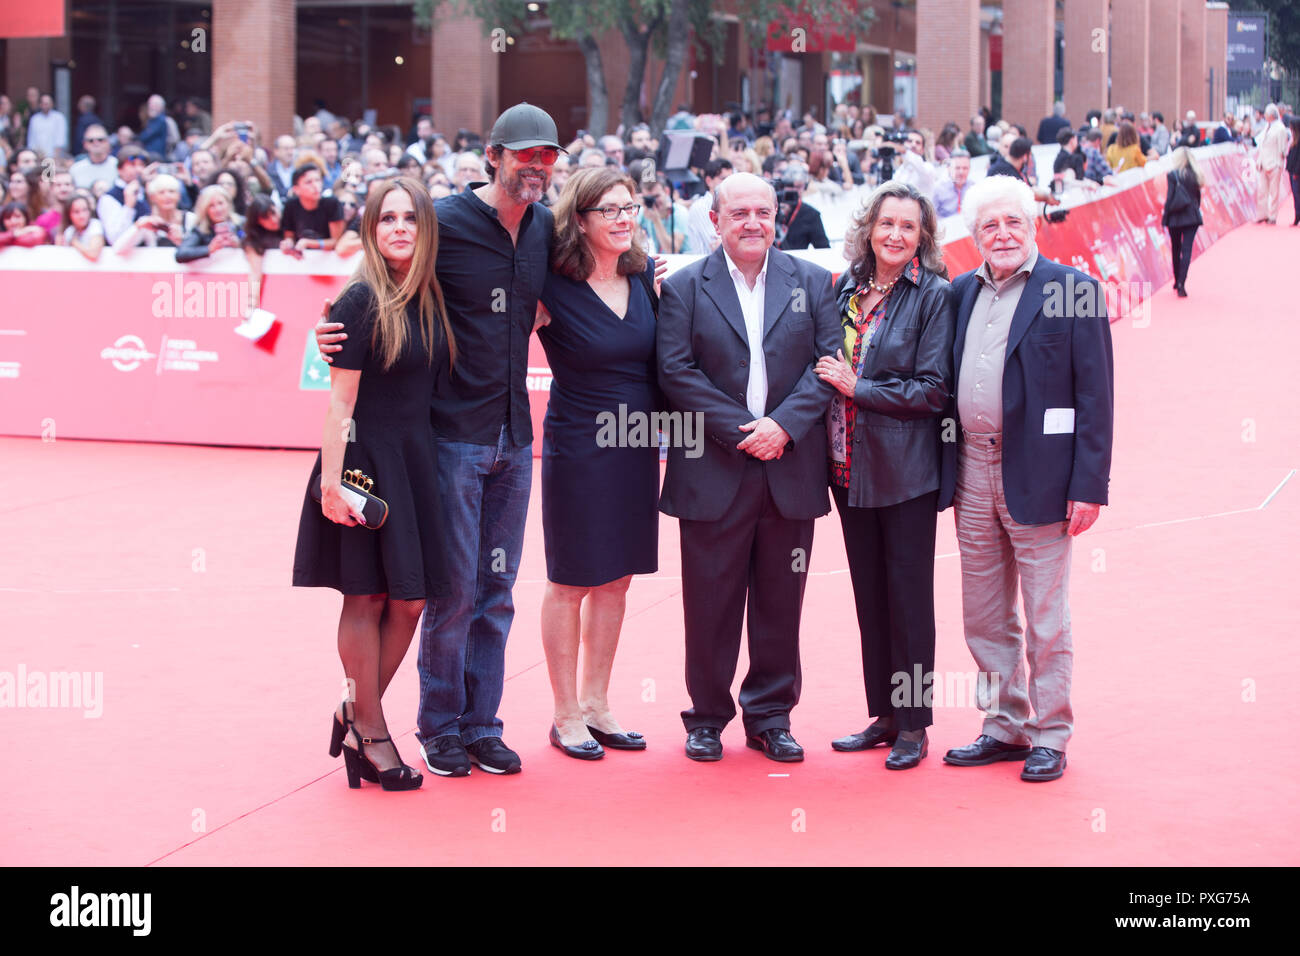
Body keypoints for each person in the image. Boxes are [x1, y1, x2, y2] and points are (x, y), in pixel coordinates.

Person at [317, 102, 565, 778]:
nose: (536, 165)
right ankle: (439, 725)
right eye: (524, 154)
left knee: (497, 591)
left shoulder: (545, 226)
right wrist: (331, 329)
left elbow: (596, 265)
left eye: (547, 154)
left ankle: (484, 724)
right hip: (450, 439)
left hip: (517, 438)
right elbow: (382, 278)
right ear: (495, 155)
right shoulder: (445, 222)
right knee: (451, 592)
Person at [656, 172, 841, 763]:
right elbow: (676, 373)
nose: (753, 223)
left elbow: (828, 365)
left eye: (763, 211)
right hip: (714, 469)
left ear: (778, 217)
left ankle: (770, 715)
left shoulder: (813, 282)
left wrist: (783, 427)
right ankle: (706, 716)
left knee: (780, 603)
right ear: (716, 221)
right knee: (709, 602)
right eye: (739, 213)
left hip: (790, 467)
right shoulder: (685, 288)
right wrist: (746, 431)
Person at [937, 175, 1114, 783]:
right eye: (990, 225)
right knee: (983, 616)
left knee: (1045, 616)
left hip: (1043, 475)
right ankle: (1004, 725)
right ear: (975, 235)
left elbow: (1096, 395)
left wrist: (1089, 484)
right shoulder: (959, 292)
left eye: (1013, 222)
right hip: (970, 473)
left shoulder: (1074, 290)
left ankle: (1051, 733)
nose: (1003, 234)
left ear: (1032, 223)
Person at [294, 177, 457, 792]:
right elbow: (340, 403)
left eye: (409, 219)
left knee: (411, 600)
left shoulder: (431, 297)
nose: (398, 228)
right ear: (369, 229)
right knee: (365, 596)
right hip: (363, 465)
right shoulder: (362, 302)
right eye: (386, 219)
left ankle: (352, 710)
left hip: (414, 463)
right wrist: (330, 485)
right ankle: (373, 729)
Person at [815, 182, 954, 770]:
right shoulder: (843, 287)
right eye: (886, 223)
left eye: (908, 227)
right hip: (846, 468)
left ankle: (915, 724)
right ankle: (885, 714)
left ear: (922, 238)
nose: (895, 235)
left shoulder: (934, 297)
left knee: (908, 600)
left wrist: (858, 387)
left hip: (904, 473)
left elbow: (933, 390)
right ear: (869, 227)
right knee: (870, 597)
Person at [534, 166, 661, 758]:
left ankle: (597, 704)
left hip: (637, 450)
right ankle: (564, 715)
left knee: (617, 578)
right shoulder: (551, 287)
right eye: (608, 210)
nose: (623, 219)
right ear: (579, 220)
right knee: (571, 580)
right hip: (579, 447)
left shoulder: (645, 282)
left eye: (629, 207)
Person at [111, 174, 194, 252]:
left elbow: (202, 250)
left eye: (171, 191)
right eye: (161, 192)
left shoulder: (191, 219)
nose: (167, 196)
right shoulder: (147, 223)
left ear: (179, 195)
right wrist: (137, 227)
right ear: (152, 197)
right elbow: (118, 249)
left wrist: (182, 240)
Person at [1163, 147, 1203, 297]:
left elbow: (1169, 197)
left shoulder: (1173, 175)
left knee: (1176, 248)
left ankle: (1176, 279)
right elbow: (1198, 198)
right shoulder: (1195, 175)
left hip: (1175, 217)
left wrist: (1166, 215)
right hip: (1191, 216)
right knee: (1186, 250)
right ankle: (1181, 282)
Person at [281, 163, 345, 251]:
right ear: (296, 189)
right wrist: (288, 243)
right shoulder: (290, 206)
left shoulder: (332, 203)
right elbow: (289, 236)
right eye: (309, 182)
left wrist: (308, 243)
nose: (316, 186)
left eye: (318, 180)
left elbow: (336, 242)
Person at [176, 184, 242, 262]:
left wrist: (239, 244)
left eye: (220, 203)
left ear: (228, 204)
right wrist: (209, 248)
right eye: (211, 206)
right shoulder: (200, 231)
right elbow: (181, 253)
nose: (218, 209)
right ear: (205, 209)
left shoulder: (241, 224)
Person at [774, 162, 830, 251]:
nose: (794, 190)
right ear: (782, 185)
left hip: (796, 261)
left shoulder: (812, 214)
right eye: (790, 185)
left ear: (805, 186)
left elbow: (823, 248)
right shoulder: (771, 209)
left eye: (799, 187)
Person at [1254, 104, 1288, 225]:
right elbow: (1261, 145)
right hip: (1263, 163)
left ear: (1272, 115)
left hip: (1274, 164)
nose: (1265, 116)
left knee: (1274, 192)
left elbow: (1283, 149)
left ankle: (1272, 216)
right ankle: (1261, 215)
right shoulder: (1266, 127)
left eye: (1267, 114)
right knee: (1262, 191)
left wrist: (1280, 164)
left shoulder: (1280, 129)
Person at [59, 191, 104, 261]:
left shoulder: (95, 225)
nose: (82, 216)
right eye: (76, 212)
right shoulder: (69, 231)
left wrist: (74, 242)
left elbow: (93, 254)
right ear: (69, 214)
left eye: (85, 210)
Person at [71, 125, 118, 190]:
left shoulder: (118, 166)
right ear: (85, 144)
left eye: (100, 140)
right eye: (91, 140)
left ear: (108, 142)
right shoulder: (75, 169)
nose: (96, 143)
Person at [25, 93, 67, 159]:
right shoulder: (34, 119)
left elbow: (60, 139)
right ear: (40, 104)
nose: (45, 106)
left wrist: (56, 157)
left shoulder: (59, 117)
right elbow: (31, 140)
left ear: (52, 104)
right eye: (43, 103)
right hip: (38, 156)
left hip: (54, 156)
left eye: (47, 103)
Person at [932, 149, 972, 217]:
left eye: (965, 168)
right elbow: (932, 217)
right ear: (948, 168)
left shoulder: (973, 187)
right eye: (957, 168)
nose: (961, 172)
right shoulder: (937, 189)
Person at [1287, 118, 1300, 227]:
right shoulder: (1294, 139)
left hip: (1297, 172)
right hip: (1292, 171)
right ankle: (1297, 215)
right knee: (1295, 195)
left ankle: (1298, 215)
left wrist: (1296, 171)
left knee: (1297, 194)